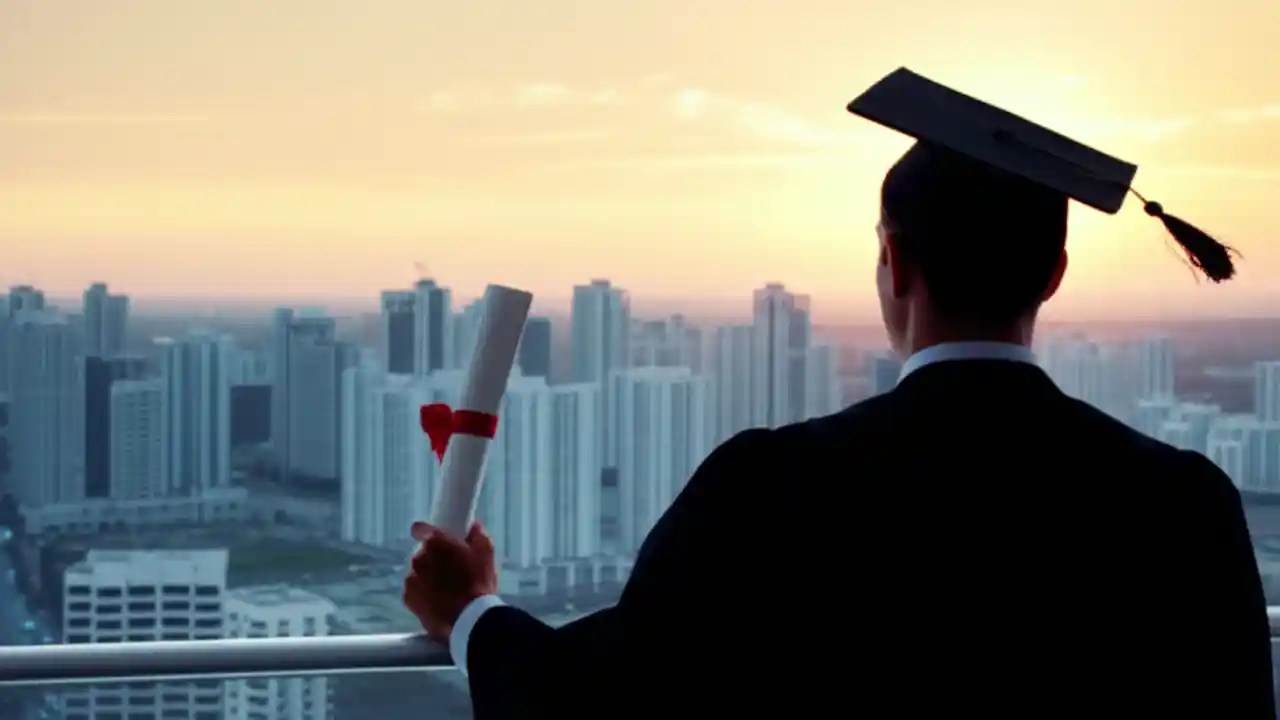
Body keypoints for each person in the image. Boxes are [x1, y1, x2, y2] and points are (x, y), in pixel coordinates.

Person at [403, 68, 1276, 718]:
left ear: (893, 264)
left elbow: (605, 701)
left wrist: (471, 611)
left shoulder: (770, 488)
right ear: (1052, 275)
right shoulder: (1182, 504)